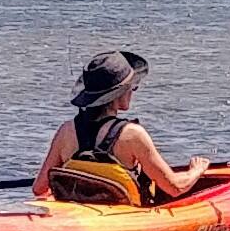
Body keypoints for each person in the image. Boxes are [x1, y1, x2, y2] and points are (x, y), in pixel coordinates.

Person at [37, 50, 198, 205]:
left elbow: (39, 188)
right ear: (118, 94)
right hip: (120, 222)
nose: (132, 92)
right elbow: (175, 187)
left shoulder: (66, 131)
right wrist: (197, 170)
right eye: (131, 87)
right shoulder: (132, 135)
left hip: (80, 216)